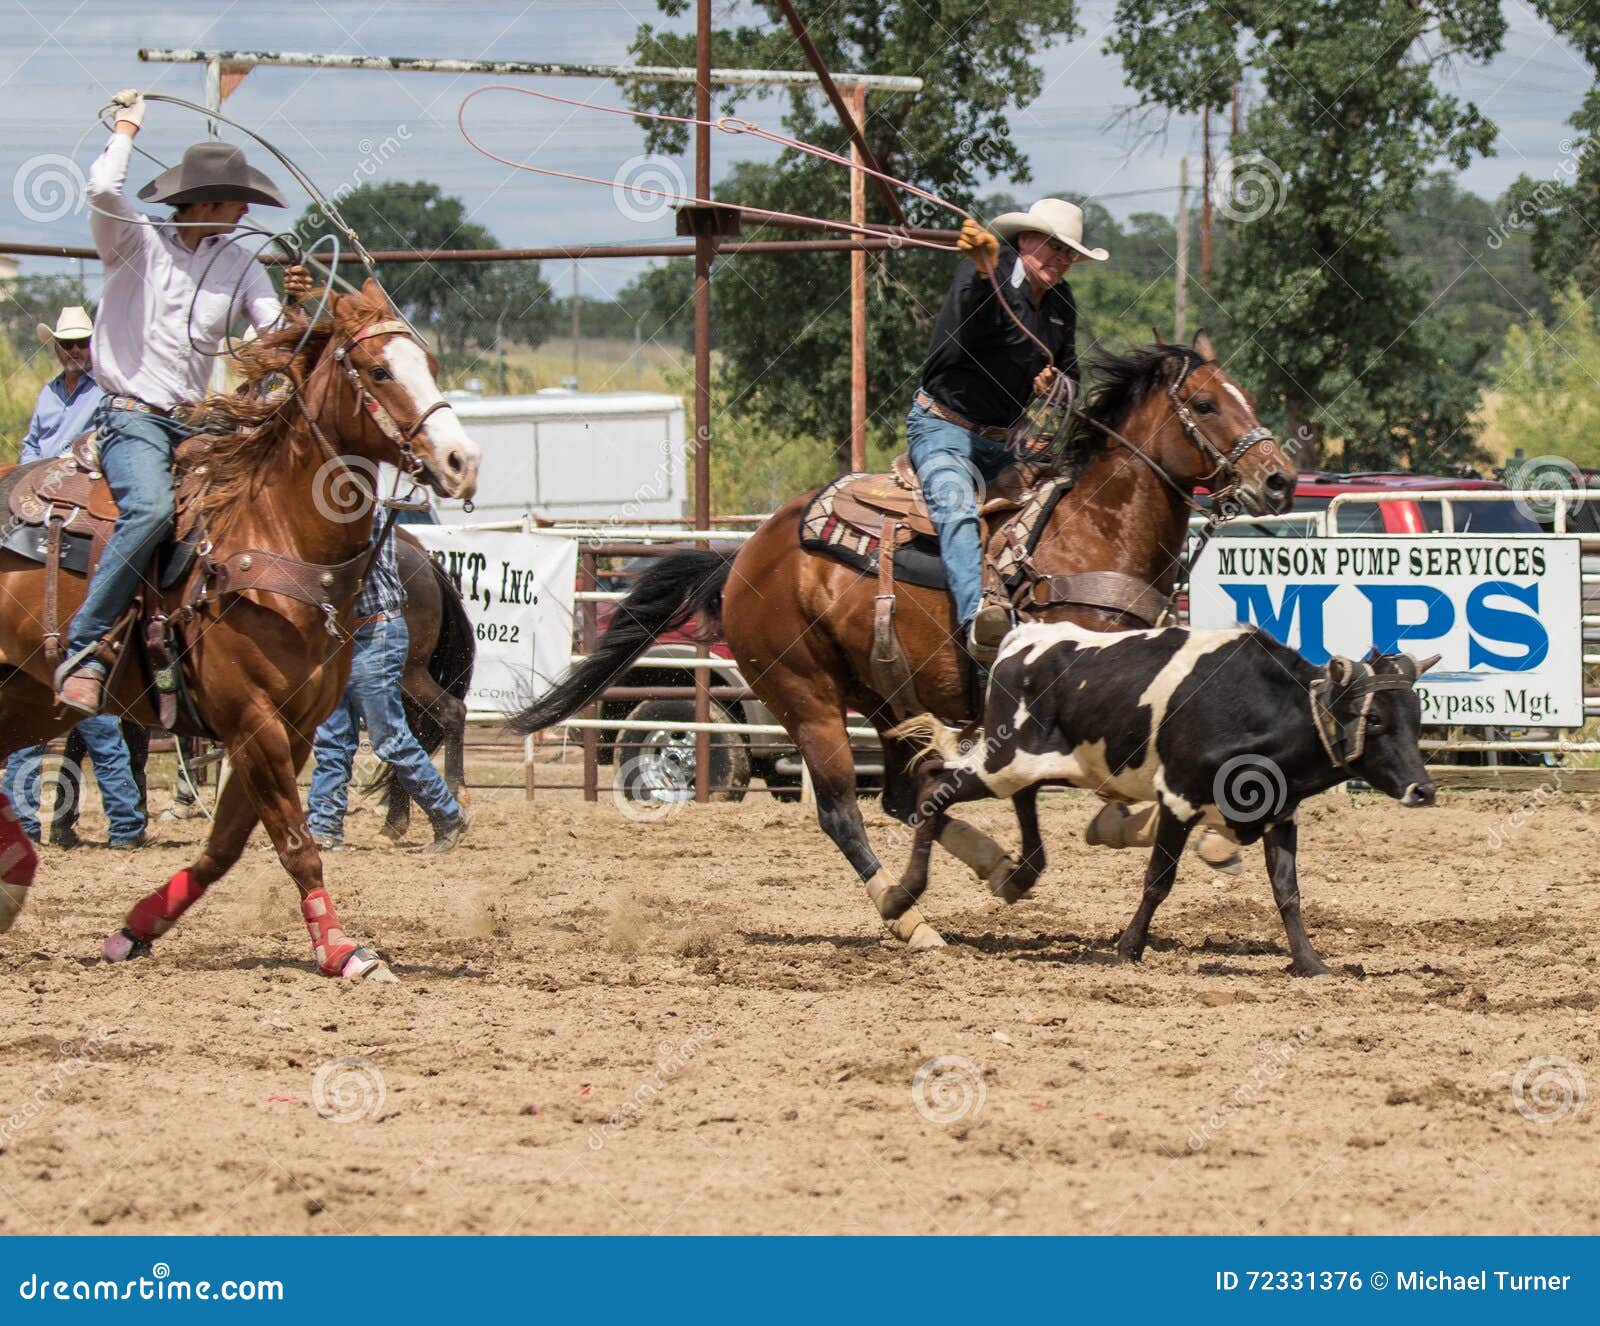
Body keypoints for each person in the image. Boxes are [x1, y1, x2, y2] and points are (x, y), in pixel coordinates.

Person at [54, 89, 311, 716]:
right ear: (212, 202)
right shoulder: (134, 243)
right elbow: (101, 191)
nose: (248, 208)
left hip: (198, 424)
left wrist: (298, 307)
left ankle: (198, 649)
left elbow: (268, 341)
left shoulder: (242, 264)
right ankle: (86, 646)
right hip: (133, 418)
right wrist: (126, 126)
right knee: (147, 510)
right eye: (241, 197)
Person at [909, 197, 1108, 661]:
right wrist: (980, 273)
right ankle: (981, 626)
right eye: (1053, 248)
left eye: (1068, 254)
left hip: (1004, 443)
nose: (1060, 261)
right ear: (1025, 240)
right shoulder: (985, 276)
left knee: (1062, 506)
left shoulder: (1061, 302)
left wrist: (1057, 381)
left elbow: (1073, 373)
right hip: (943, 428)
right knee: (957, 509)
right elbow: (973, 328)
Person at [2, 306, 146, 847]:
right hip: (47, 495)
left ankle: (126, 825)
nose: (74, 351)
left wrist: (60, 463)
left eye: (81, 342)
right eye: (66, 344)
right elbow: (29, 449)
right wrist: (37, 469)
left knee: (94, 722)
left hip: (82, 490)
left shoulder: (105, 390)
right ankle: (31, 822)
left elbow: (98, 445)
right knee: (66, 723)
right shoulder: (48, 394)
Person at [306, 513, 470, 853]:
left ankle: (447, 815)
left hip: (372, 631)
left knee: (390, 737)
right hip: (337, 634)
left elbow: (337, 559)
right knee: (332, 738)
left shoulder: (357, 505)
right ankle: (323, 828)